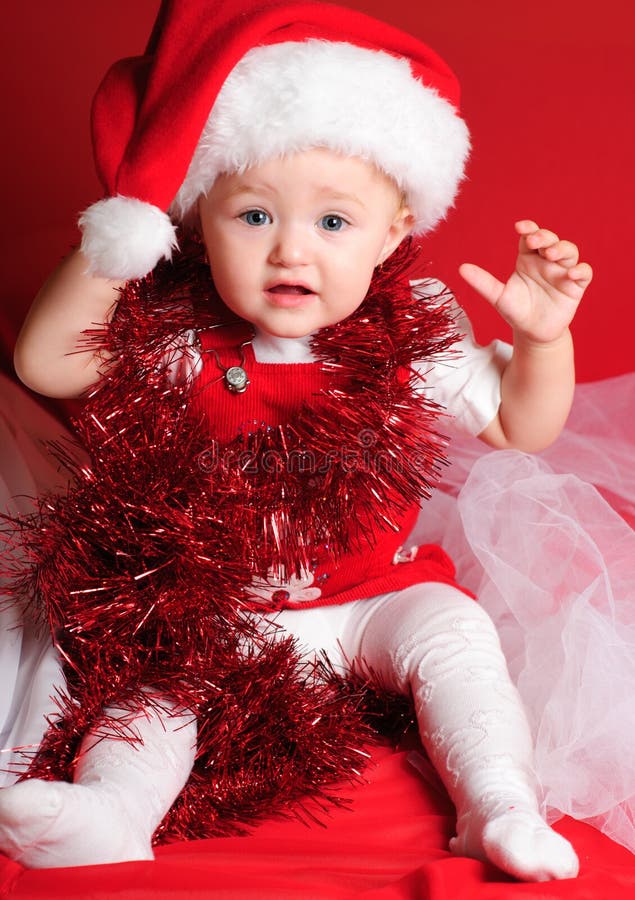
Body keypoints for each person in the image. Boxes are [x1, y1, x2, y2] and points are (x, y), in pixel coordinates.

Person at [0, 0, 593, 881]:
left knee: (456, 632)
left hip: (366, 601)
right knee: (150, 687)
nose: (290, 252)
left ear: (392, 235)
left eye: (333, 223)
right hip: (217, 614)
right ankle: (113, 810)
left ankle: (499, 805)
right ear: (196, 223)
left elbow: (519, 425)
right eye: (252, 217)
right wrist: (123, 230)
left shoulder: (410, 329)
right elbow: (46, 364)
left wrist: (543, 340)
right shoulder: (178, 334)